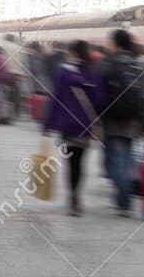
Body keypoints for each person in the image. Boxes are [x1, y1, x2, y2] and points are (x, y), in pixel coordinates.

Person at [42, 39, 104, 216]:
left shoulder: (62, 72)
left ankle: (73, 200)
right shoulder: (92, 72)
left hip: (67, 126)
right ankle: (77, 199)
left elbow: (56, 99)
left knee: (71, 163)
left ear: (72, 53)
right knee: (81, 163)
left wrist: (48, 125)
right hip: (86, 126)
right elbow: (99, 100)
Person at [100, 29, 144, 216]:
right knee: (128, 159)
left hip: (112, 120)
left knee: (116, 159)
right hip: (132, 120)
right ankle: (125, 199)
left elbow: (101, 94)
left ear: (116, 43)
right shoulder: (138, 65)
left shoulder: (108, 64)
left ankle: (123, 202)